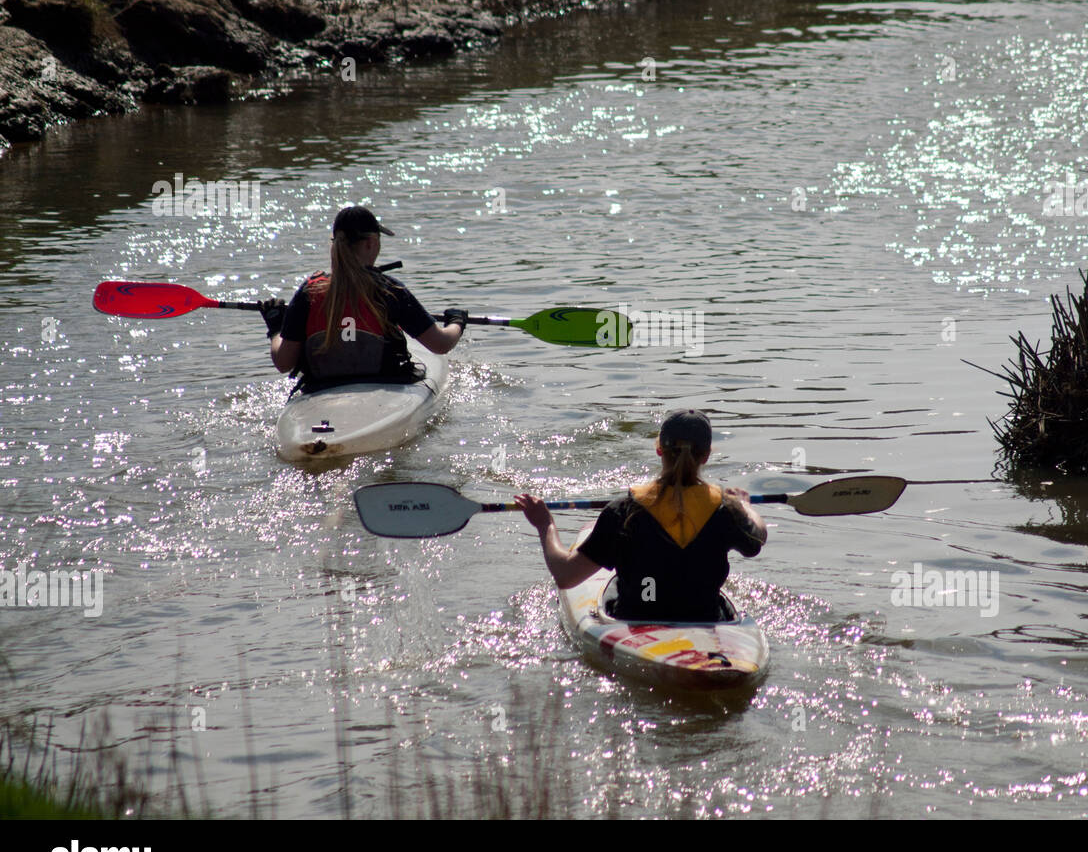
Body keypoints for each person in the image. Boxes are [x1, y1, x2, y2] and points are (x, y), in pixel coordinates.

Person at [516, 409, 767, 621]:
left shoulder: (624, 511)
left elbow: (566, 576)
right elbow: (757, 540)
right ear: (707, 455)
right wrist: (744, 506)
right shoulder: (727, 511)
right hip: (705, 619)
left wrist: (545, 524)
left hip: (636, 617)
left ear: (659, 449)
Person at [261, 206, 467, 390]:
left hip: (322, 386)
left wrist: (276, 326)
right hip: (385, 383)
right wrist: (457, 323)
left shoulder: (309, 292)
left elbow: (283, 362)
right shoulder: (389, 290)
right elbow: (440, 344)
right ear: (371, 243)